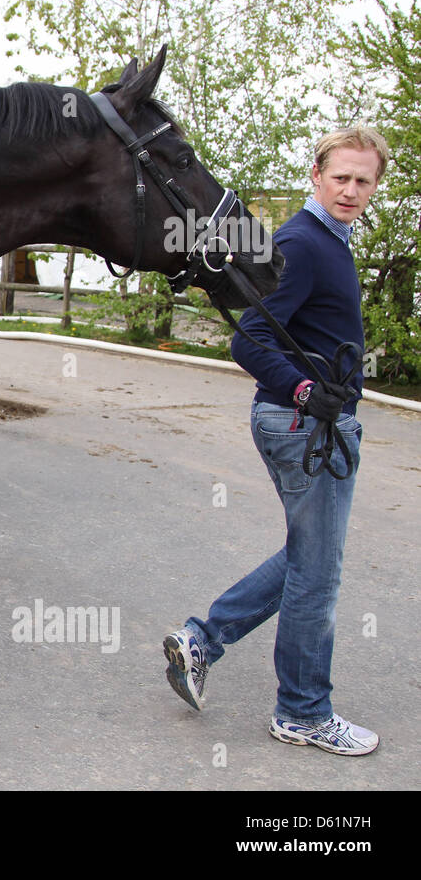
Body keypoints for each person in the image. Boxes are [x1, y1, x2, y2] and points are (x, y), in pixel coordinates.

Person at [164, 125, 389, 755]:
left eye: (362, 180)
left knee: (307, 557)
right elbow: (250, 339)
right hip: (305, 425)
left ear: (375, 186)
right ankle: (303, 713)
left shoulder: (327, 240)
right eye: (339, 176)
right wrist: (302, 392)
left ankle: (201, 641)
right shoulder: (304, 243)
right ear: (315, 174)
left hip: (314, 423)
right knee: (317, 574)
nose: (350, 189)